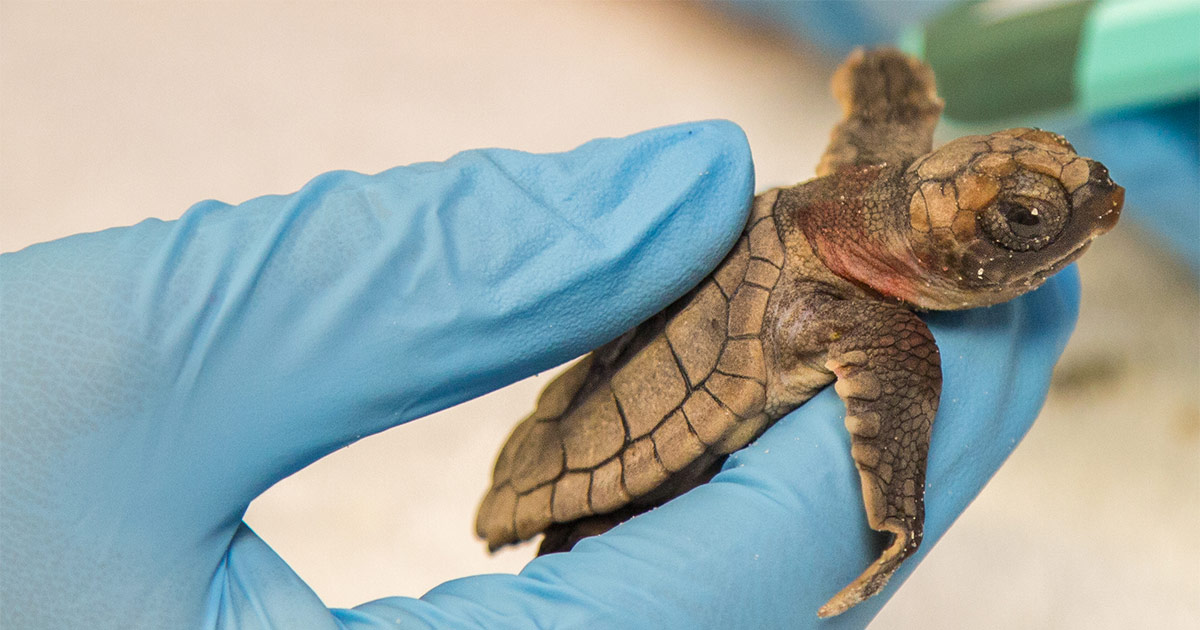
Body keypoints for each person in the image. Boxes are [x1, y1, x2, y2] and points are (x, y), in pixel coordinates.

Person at [1, 120, 1079, 628]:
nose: (1090, 208)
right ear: (925, 238)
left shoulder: (869, 200)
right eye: (1027, 218)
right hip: (623, 461)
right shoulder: (870, 323)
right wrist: (892, 519)